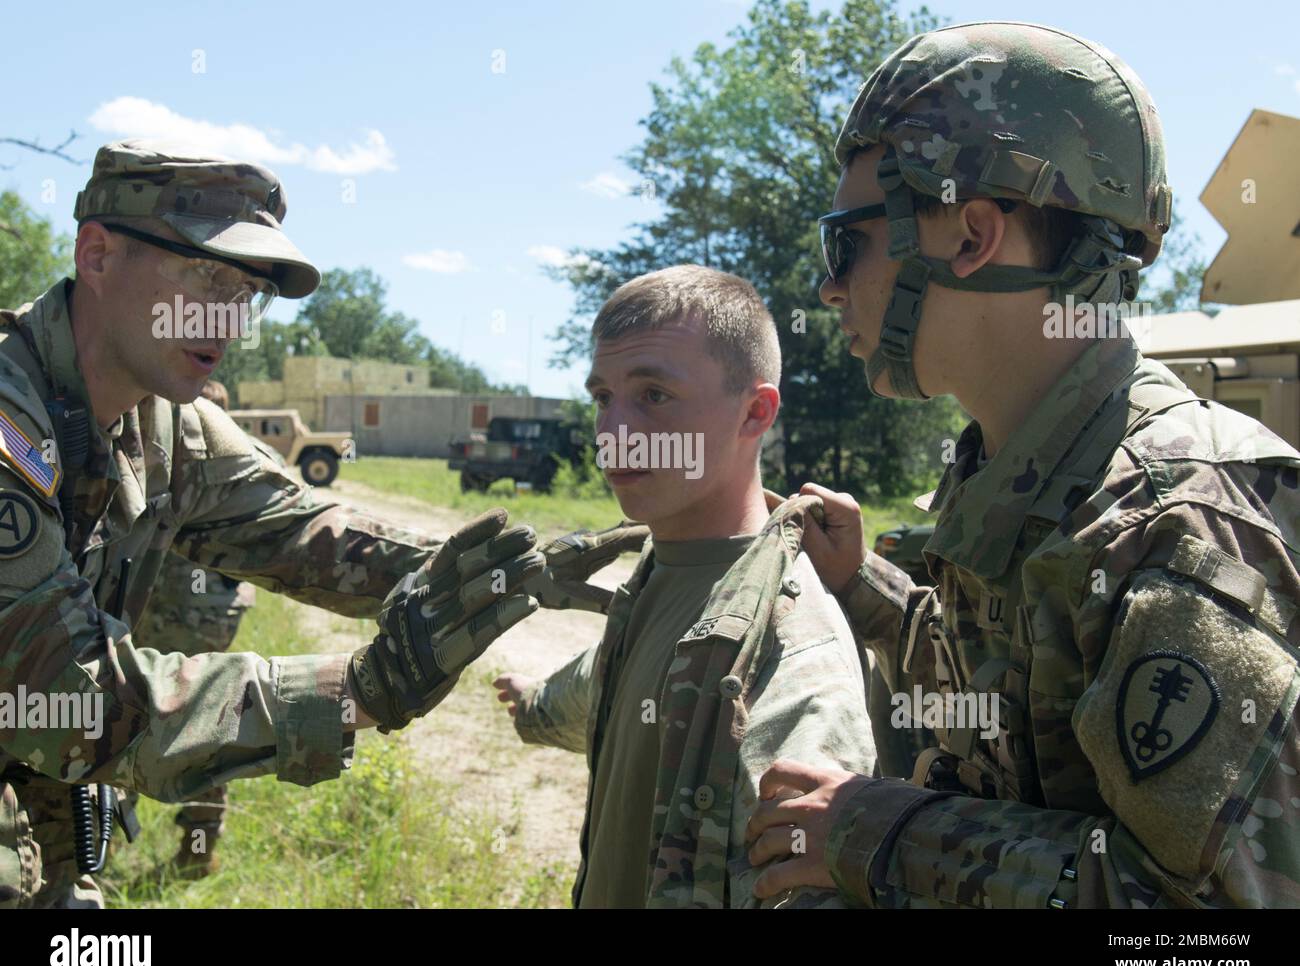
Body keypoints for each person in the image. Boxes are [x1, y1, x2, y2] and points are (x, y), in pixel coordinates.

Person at [746, 21, 1300, 908]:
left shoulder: (1180, 515)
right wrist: (865, 590)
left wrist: (876, 832)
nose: (829, 287)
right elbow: (1007, 708)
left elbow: (1198, 930)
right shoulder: (1014, 461)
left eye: (846, 243)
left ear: (970, 236)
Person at [0, 140, 568, 908]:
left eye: (247, 294)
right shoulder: (12, 420)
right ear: (96, 256)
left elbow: (306, 534)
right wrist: (361, 688)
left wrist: (507, 570)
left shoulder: (169, 423)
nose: (229, 322)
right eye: (206, 277)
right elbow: (71, 700)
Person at [494, 265, 876, 908]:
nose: (612, 433)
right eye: (602, 398)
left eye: (653, 397)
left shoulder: (794, 650)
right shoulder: (662, 567)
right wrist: (534, 703)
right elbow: (616, 680)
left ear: (755, 412)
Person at [130, 379, 256, 877]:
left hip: (172, 620)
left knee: (134, 717)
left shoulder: (167, 464)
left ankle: (108, 840)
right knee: (202, 729)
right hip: (204, 622)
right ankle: (195, 850)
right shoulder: (240, 462)